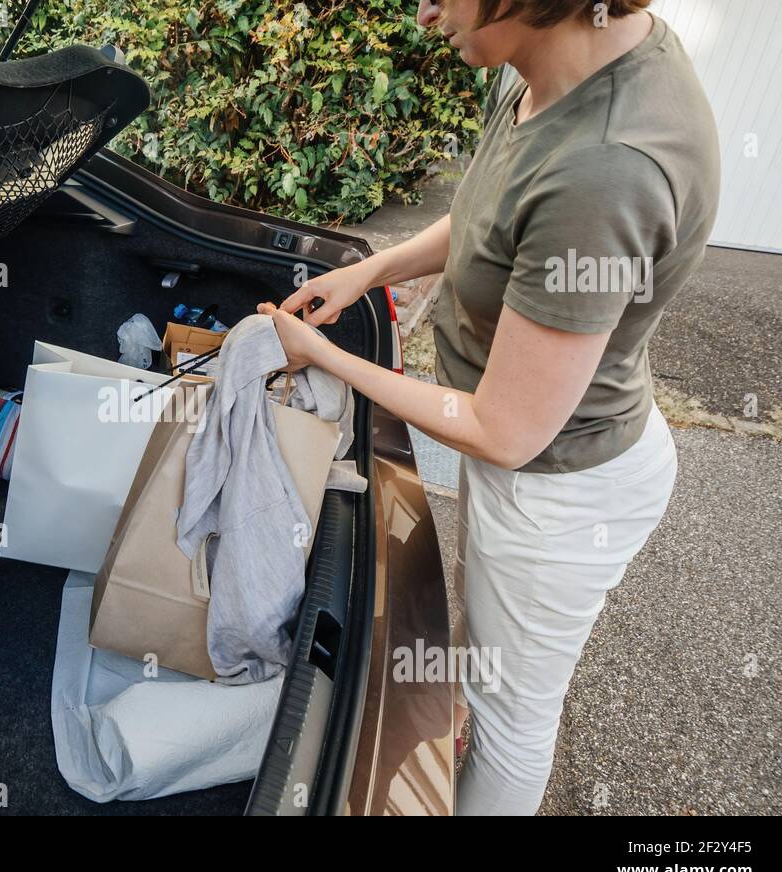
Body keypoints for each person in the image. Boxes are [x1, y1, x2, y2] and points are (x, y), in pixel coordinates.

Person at [259, 0, 719, 815]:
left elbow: (505, 430)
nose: (425, 7)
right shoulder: (556, 55)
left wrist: (324, 358)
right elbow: (489, 212)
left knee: (511, 725)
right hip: (532, 451)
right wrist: (371, 271)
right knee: (485, 653)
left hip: (559, 490)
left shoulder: (607, 167)